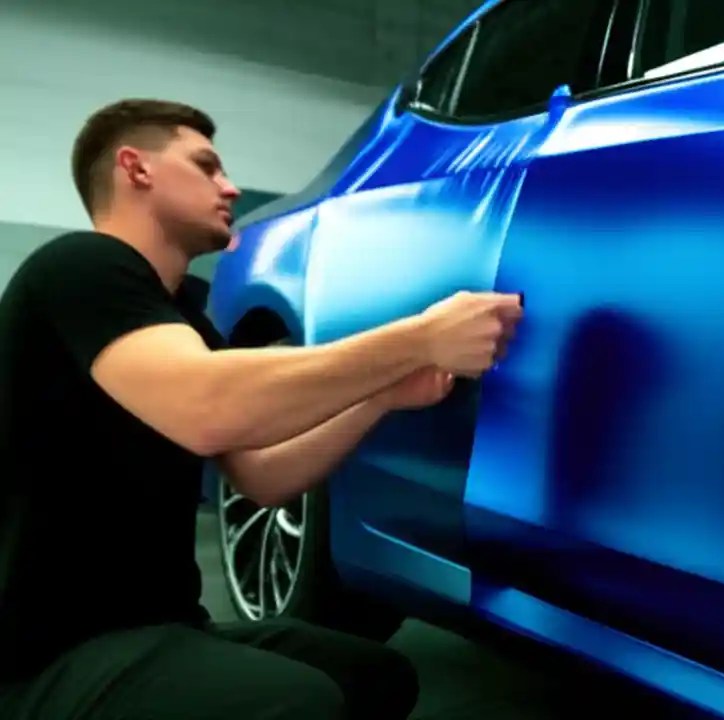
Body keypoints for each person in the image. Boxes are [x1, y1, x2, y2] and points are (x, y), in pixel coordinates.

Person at [0, 99, 524, 719]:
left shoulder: (184, 311)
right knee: (298, 704)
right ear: (135, 168)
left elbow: (262, 476)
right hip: (51, 653)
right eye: (206, 166)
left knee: (376, 677)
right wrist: (417, 337)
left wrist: (380, 397)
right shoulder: (78, 266)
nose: (231, 187)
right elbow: (207, 404)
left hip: (165, 624)